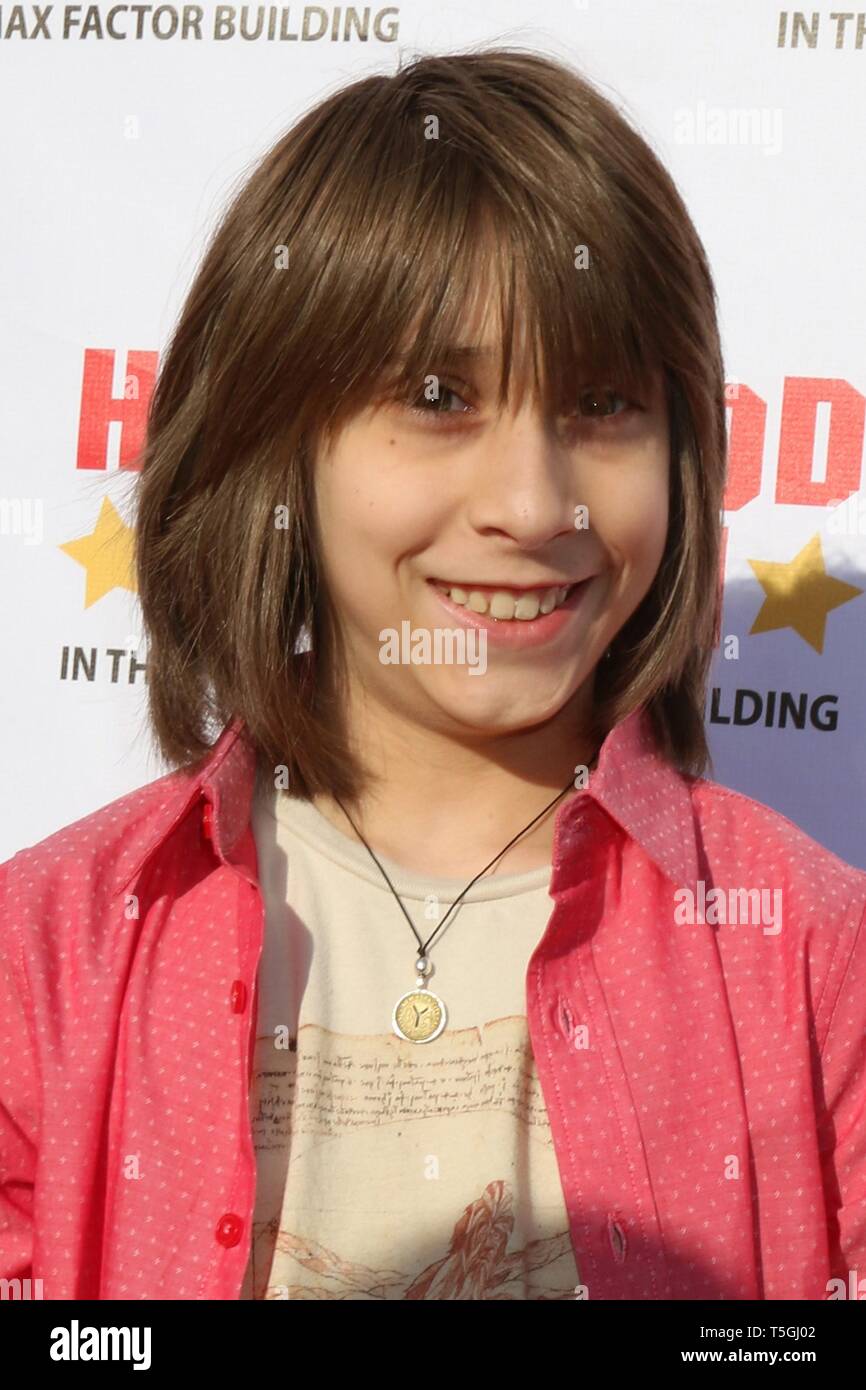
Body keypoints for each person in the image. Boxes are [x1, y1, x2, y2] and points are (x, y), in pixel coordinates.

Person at [1, 47, 865, 1303]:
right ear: (268, 442)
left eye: (604, 402)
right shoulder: (43, 960)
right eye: (437, 393)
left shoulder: (812, 960)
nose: (531, 502)